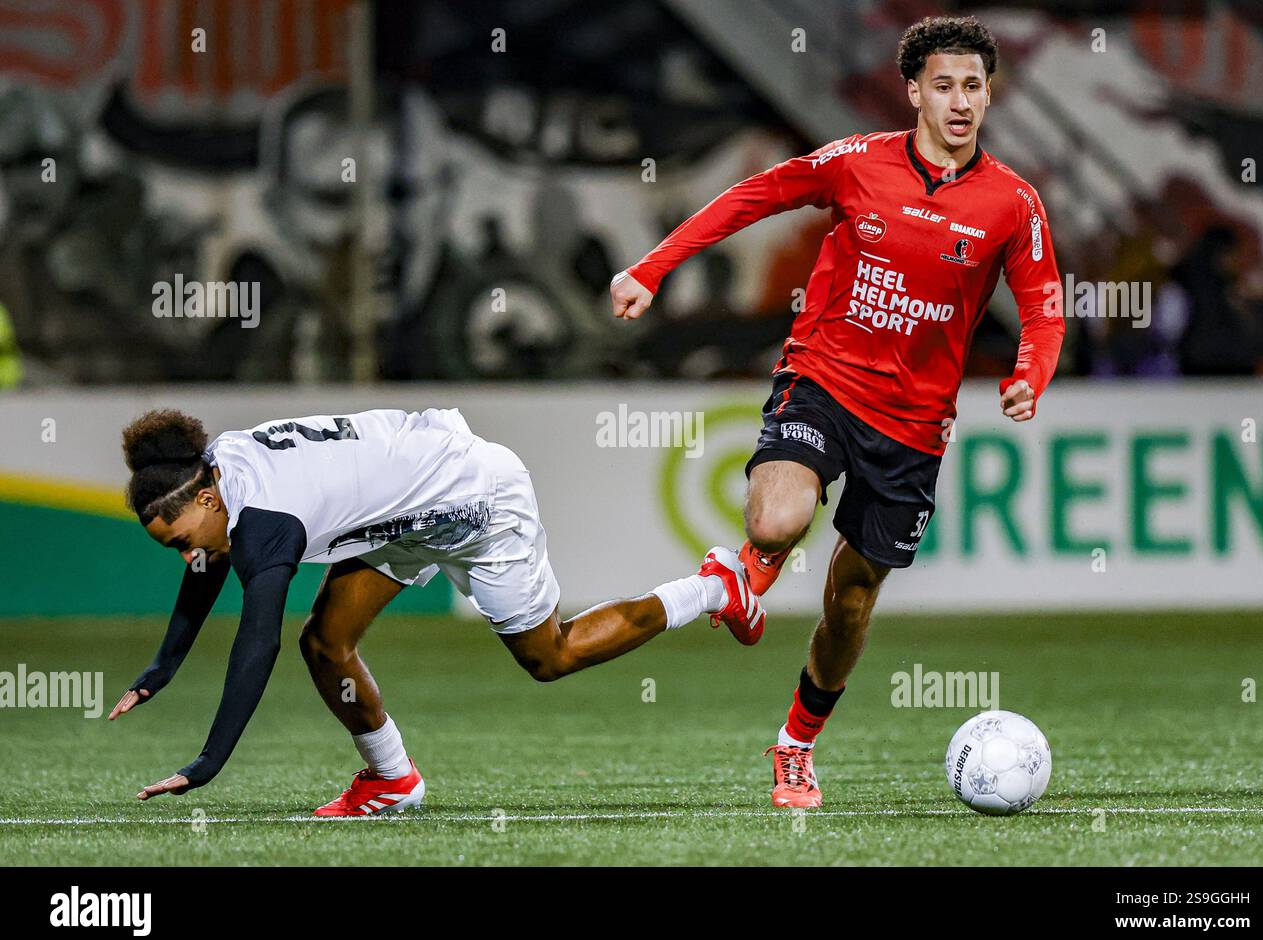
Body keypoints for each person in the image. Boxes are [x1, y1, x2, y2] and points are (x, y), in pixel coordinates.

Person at [609, 15, 1064, 808]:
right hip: (823, 380)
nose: (960, 101)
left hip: (915, 427)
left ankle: (795, 744)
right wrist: (653, 268)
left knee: (849, 605)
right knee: (777, 519)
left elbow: (1045, 308)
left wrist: (1032, 372)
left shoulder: (1011, 204)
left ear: (990, 95)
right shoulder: (858, 162)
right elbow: (753, 198)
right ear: (915, 91)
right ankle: (748, 572)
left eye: (975, 86)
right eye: (945, 85)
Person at [108, 406, 764, 815]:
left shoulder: (263, 524)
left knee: (550, 656)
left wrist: (209, 763)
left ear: (205, 503)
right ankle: (392, 780)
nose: (185, 555)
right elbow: (206, 563)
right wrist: (161, 668)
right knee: (326, 641)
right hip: (406, 503)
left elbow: (257, 646)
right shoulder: (214, 468)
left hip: (473, 498)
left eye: (180, 539)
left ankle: (714, 587)